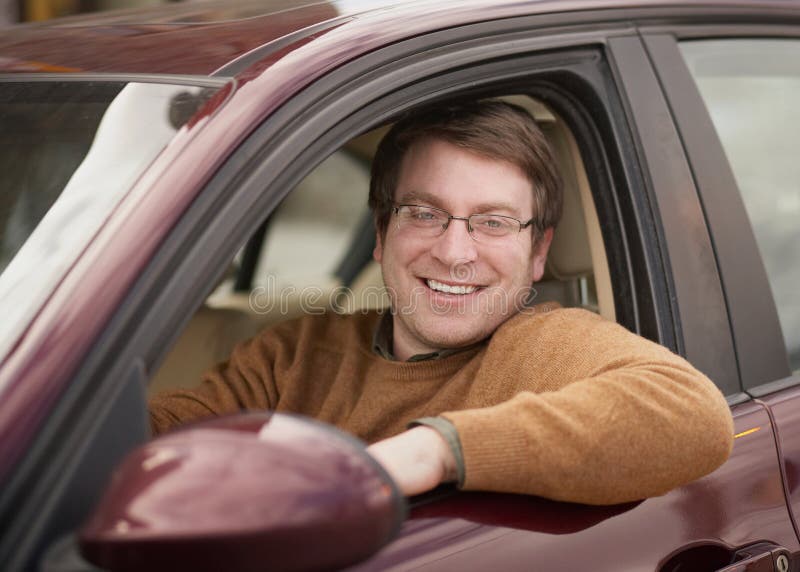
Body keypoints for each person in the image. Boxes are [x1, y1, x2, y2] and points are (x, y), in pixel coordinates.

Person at [149, 100, 733, 505]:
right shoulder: (297, 352)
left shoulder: (547, 347)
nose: (456, 253)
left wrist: (435, 452)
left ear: (537, 252)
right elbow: (155, 434)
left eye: (495, 222)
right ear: (381, 232)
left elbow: (694, 415)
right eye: (424, 213)